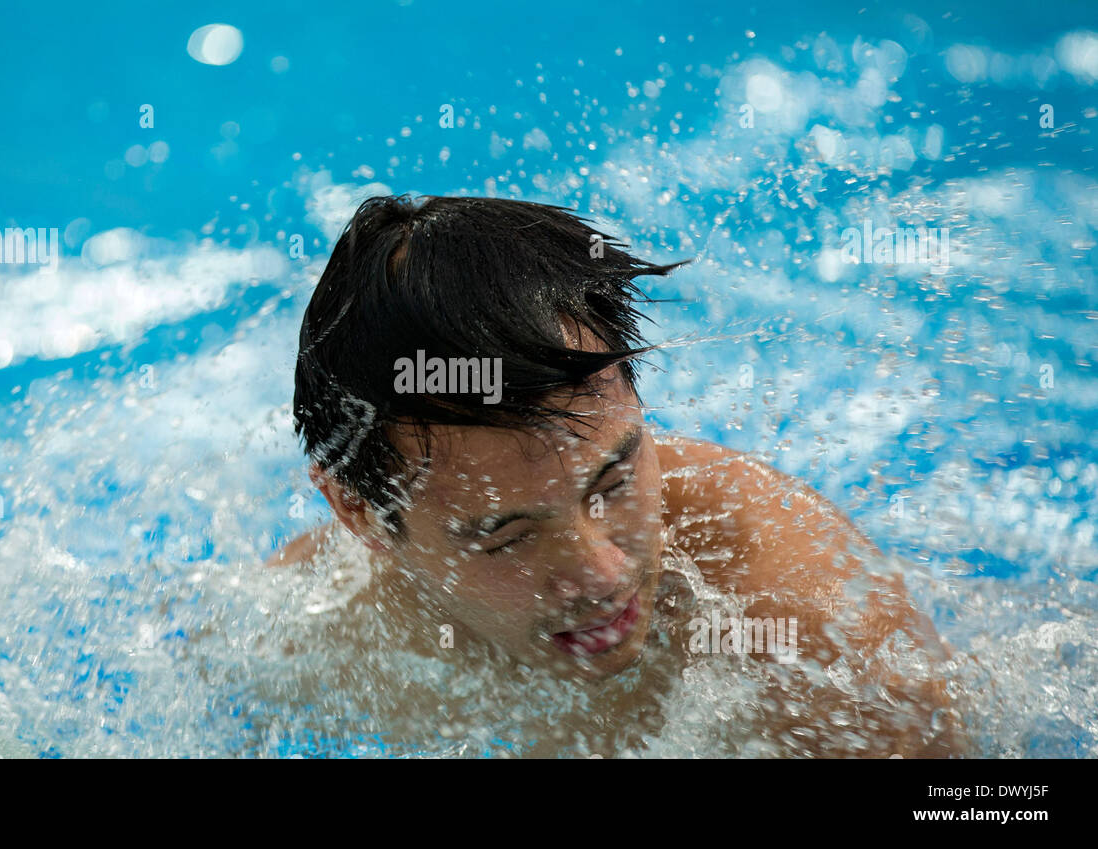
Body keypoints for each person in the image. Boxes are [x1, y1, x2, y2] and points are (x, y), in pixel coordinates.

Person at [267, 193, 965, 757]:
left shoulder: (820, 650)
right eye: (505, 535)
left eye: (612, 483)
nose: (601, 574)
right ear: (359, 516)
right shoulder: (319, 628)